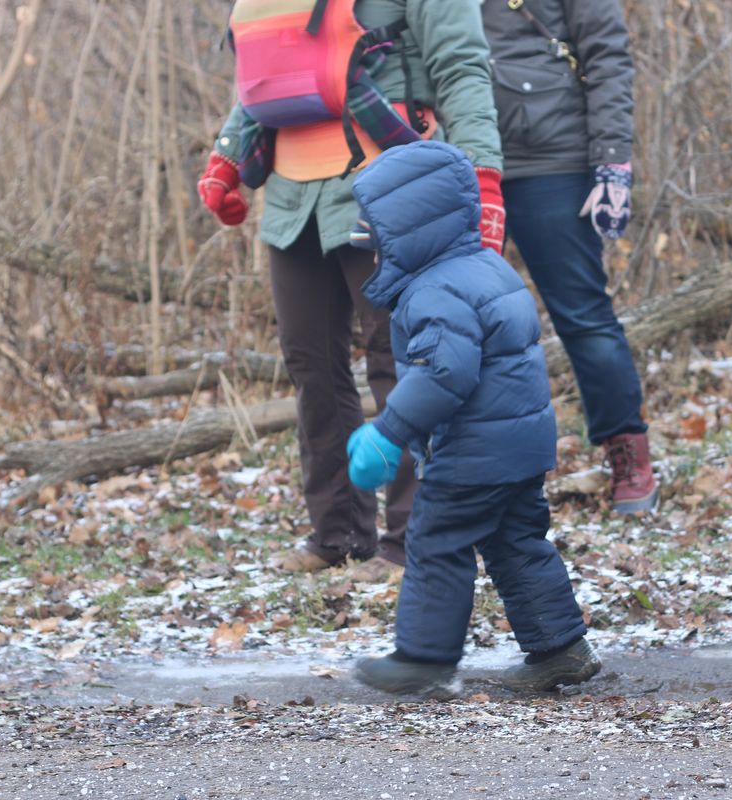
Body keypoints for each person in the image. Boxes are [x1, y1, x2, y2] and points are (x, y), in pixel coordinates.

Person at [196, 0, 506, 578]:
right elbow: (268, 75)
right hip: (292, 199)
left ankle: (416, 538)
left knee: (407, 360)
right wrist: (227, 156)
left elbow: (463, 67)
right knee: (310, 364)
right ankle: (339, 533)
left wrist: (483, 175)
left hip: (392, 185)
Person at [344, 141, 600, 698]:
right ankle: (562, 649)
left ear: (407, 234)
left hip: (472, 454)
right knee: (517, 543)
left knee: (437, 541)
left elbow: (445, 374)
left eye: (377, 247)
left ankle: (424, 659)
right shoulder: (487, 268)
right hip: (520, 446)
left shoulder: (433, 291)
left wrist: (389, 431)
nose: (371, 261)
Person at [480, 0, 657, 514]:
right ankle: (480, 468)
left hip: (551, 159)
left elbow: (605, 54)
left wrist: (611, 163)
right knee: (463, 322)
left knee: (583, 316)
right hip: (462, 155)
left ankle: (630, 456)